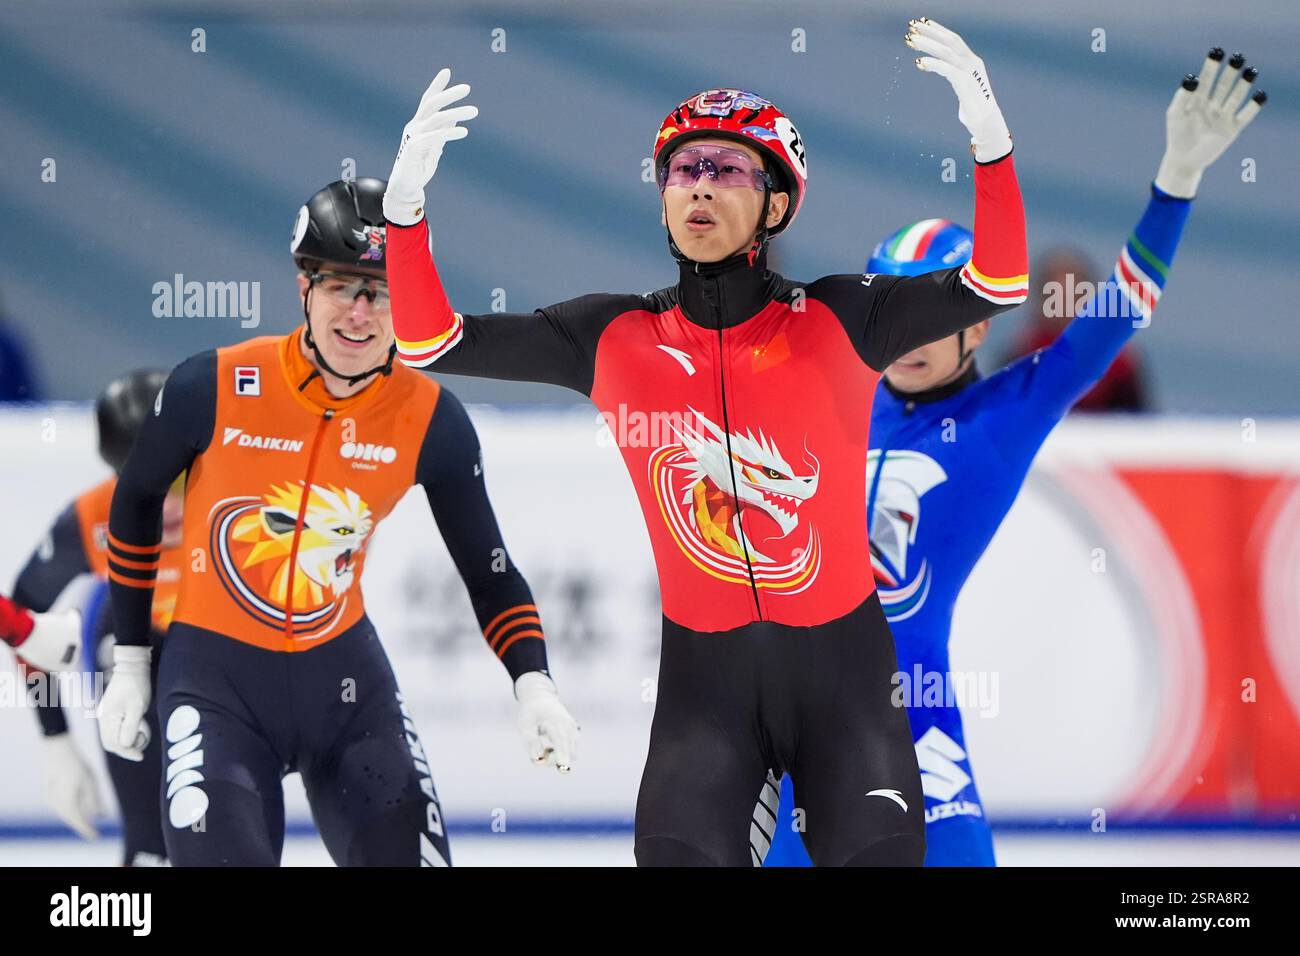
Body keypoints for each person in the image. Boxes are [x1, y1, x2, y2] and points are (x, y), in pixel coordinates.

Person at [382, 19, 1029, 865]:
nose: (700, 187)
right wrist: (404, 213)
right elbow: (433, 343)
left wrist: (990, 146)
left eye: (727, 170)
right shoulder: (611, 336)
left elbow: (1000, 281)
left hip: (847, 692)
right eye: (682, 170)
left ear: (776, 202)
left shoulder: (842, 316)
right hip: (705, 698)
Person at [759, 47, 1267, 866]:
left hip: (920, 739)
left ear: (979, 326)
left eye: (935, 316)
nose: (909, 339)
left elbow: (1114, 316)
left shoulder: (1007, 413)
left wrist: (1174, 180)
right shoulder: (836, 396)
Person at [96, 177, 579, 867]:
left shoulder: (431, 419)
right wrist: (134, 661)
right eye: (340, 287)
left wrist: (533, 681)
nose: (361, 311)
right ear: (303, 291)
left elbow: (489, 571)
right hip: (215, 690)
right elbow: (136, 500)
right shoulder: (214, 386)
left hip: (347, 696)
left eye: (382, 291)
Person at [0, 369, 177, 864]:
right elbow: (22, 621)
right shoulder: (92, 516)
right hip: (135, 647)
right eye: (139, 486)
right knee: (151, 849)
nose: (164, 504)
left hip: (224, 651)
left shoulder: (247, 500)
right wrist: (55, 740)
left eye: (181, 476)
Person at [1003, 246, 1151, 411]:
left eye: (1074, 294)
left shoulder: (1118, 363)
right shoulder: (1022, 356)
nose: (1065, 303)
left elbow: (1139, 422)